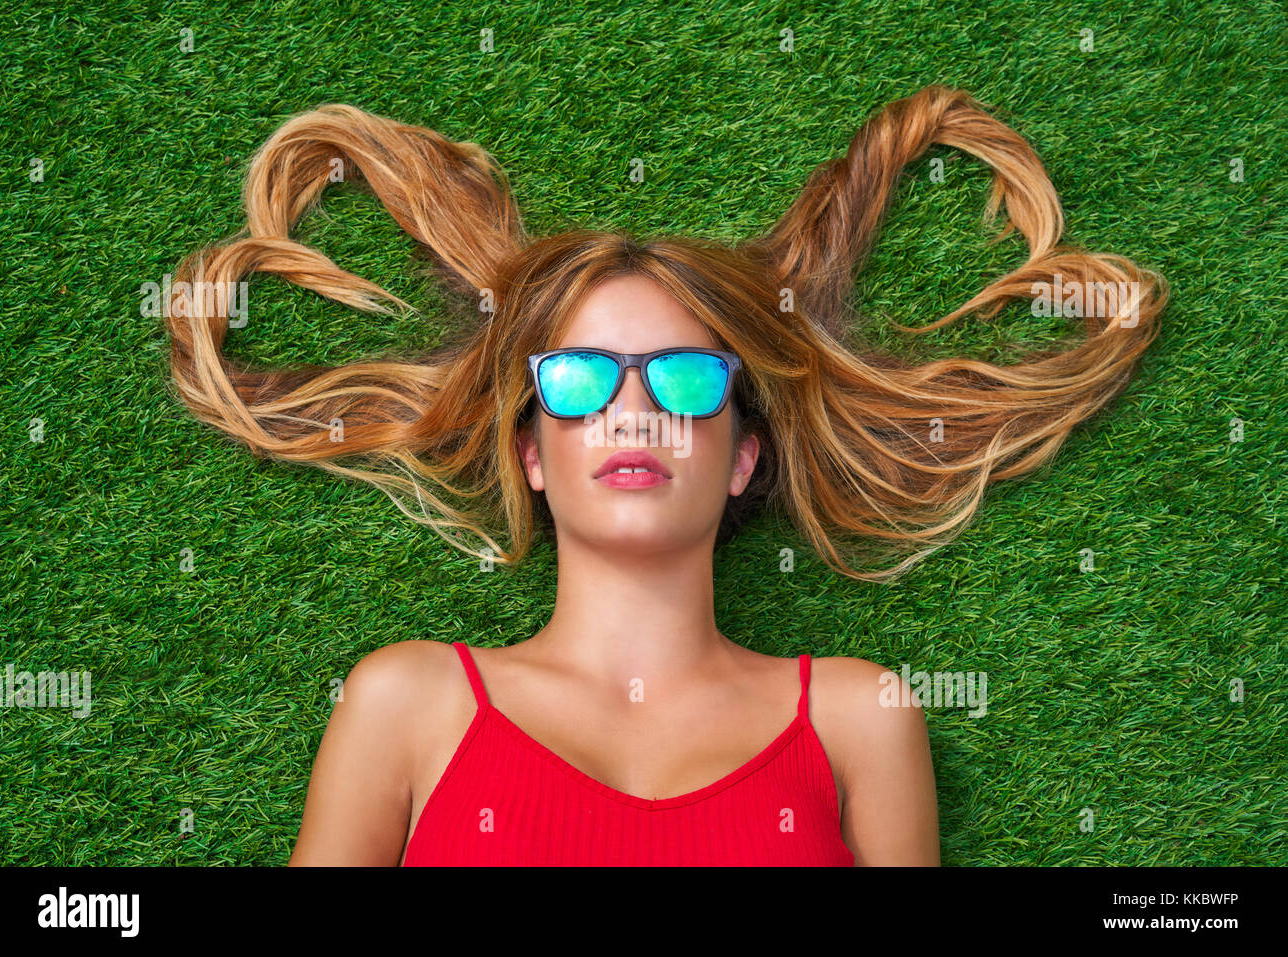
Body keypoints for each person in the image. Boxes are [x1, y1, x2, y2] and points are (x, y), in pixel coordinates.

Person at [164, 86, 1166, 865]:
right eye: (580, 378)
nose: (631, 408)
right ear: (532, 456)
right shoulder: (408, 702)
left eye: (685, 378)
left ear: (741, 458)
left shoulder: (860, 716)